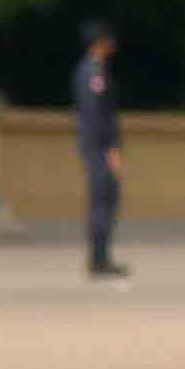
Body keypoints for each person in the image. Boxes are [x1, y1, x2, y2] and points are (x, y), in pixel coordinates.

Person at [71, 22, 130, 280]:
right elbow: (97, 114)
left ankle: (101, 256)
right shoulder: (93, 72)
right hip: (99, 147)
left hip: (94, 145)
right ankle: (99, 257)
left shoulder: (91, 70)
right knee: (104, 200)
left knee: (103, 200)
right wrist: (110, 148)